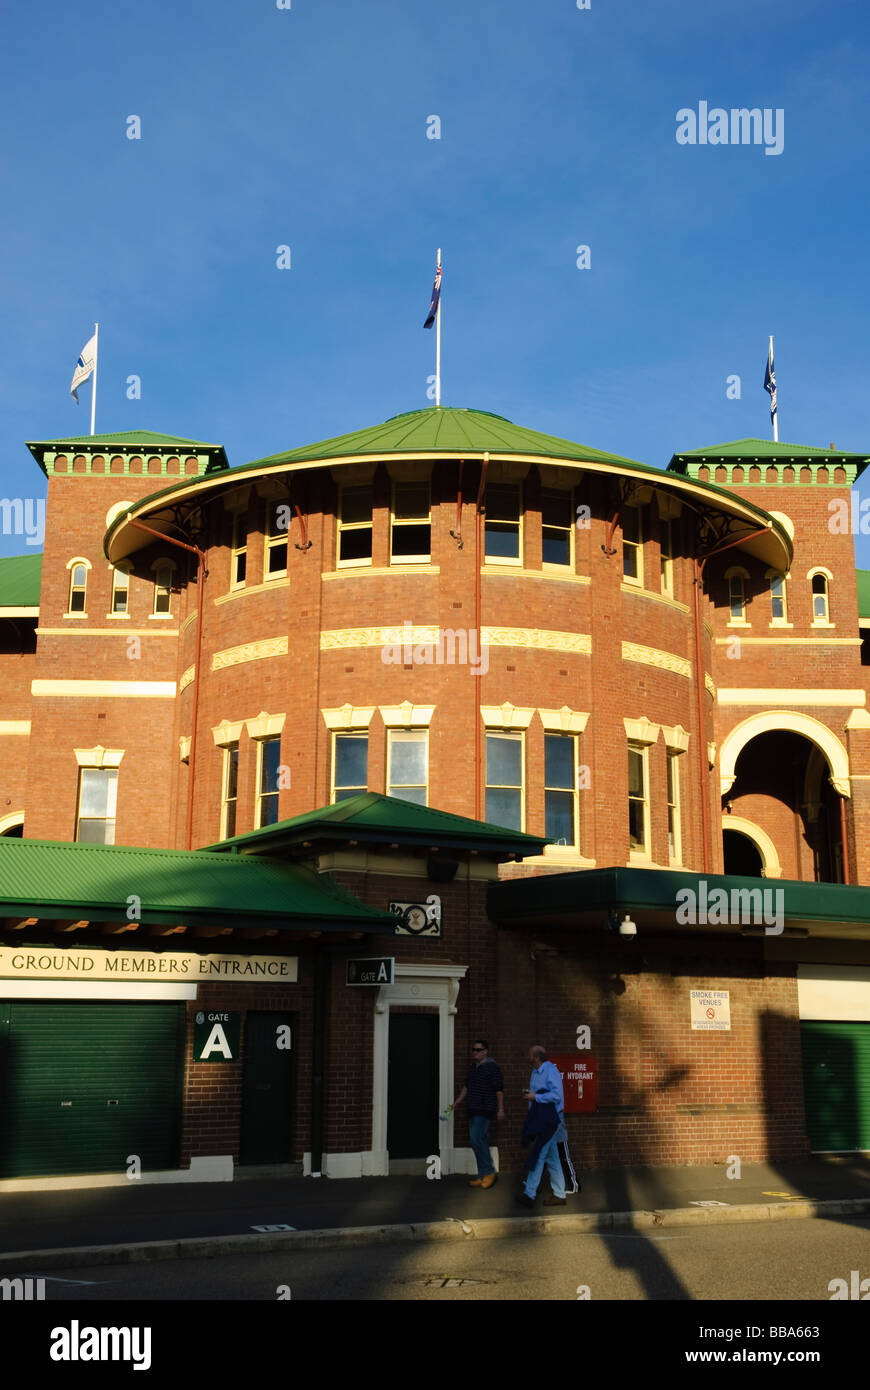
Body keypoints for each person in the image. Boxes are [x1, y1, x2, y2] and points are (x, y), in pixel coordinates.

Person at [516, 1044, 569, 1208]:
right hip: (541, 1119)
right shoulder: (535, 1072)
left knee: (539, 1154)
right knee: (551, 1157)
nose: (528, 1056)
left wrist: (535, 1097)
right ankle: (560, 1194)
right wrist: (532, 1097)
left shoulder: (550, 1071)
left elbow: (557, 1096)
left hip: (551, 1119)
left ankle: (529, 1194)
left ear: (537, 1057)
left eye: (530, 1054)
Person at [451, 1039, 504, 1188]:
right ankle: (482, 1174)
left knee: (477, 1139)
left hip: (485, 1109)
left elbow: (499, 1089)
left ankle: (489, 1172)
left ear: (486, 1051)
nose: (475, 1052)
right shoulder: (473, 1068)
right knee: (478, 1141)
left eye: (478, 1050)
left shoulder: (493, 1068)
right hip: (472, 1108)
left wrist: (501, 1109)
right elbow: (467, 1087)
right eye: (473, 1050)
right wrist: (458, 1102)